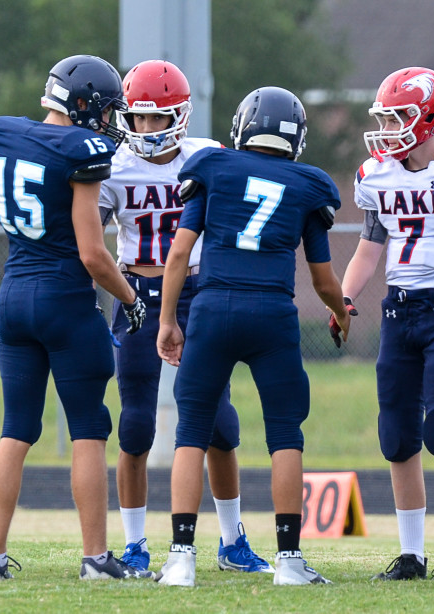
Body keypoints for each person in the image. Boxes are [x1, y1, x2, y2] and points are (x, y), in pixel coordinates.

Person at [0, 54, 149, 582]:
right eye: (107, 110)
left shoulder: (0, 138)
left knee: (16, 429)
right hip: (65, 299)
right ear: (83, 103)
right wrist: (131, 300)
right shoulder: (80, 150)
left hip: (15, 298)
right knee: (88, 428)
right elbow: (92, 253)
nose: (110, 122)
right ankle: (95, 558)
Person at [153, 86, 351, 587]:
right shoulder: (309, 185)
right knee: (285, 434)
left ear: (243, 127)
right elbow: (325, 280)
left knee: (191, 431)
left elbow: (179, 255)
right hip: (272, 314)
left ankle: (180, 559)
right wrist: (341, 311)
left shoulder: (214, 168)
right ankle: (288, 561)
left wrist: (168, 320)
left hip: (214, 307)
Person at [98, 59, 270, 574]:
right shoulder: (109, 164)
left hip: (200, 292)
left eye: (158, 117)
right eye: (140, 118)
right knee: (134, 426)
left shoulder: (208, 158)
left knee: (218, 421)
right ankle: (133, 544)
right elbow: (88, 233)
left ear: (181, 115)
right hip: (136, 294)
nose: (147, 128)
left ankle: (232, 539)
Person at [339, 67, 434, 581]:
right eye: (386, 115)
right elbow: (368, 246)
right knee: (397, 434)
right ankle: (411, 554)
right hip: (400, 308)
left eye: (399, 114)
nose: (389, 126)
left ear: (431, 115)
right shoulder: (377, 175)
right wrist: (344, 297)